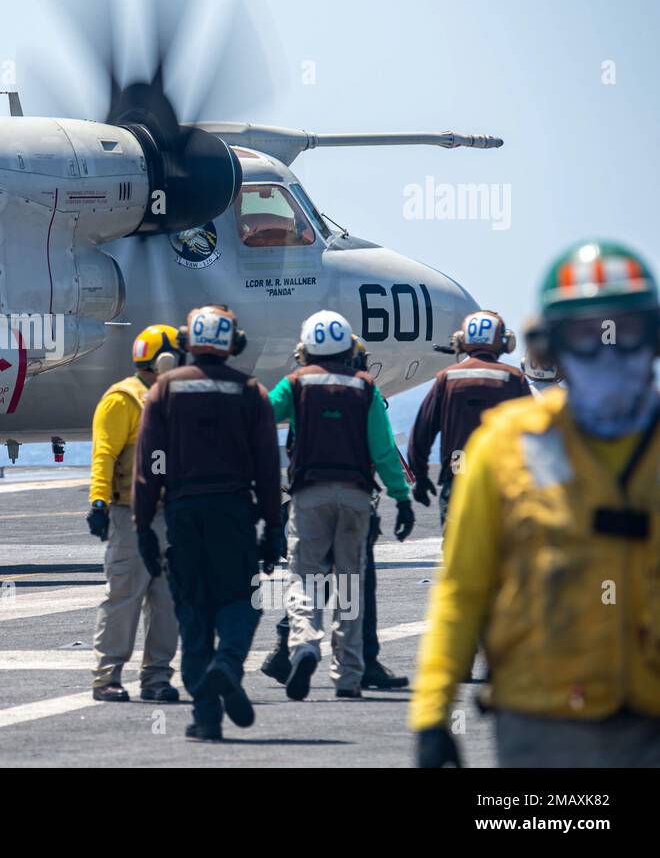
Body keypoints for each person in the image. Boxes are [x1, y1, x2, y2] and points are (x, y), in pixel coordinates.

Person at [413, 241, 660, 767]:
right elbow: (463, 589)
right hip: (538, 720)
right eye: (584, 335)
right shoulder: (505, 447)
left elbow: (422, 431)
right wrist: (432, 714)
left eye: (624, 330)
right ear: (551, 345)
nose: (607, 349)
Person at [132, 305, 285, 740]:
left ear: (187, 342)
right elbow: (267, 467)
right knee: (241, 600)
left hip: (182, 514)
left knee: (193, 612)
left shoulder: (164, 390)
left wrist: (144, 525)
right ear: (232, 343)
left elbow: (151, 465)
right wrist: (274, 527)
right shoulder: (250, 392)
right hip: (235, 513)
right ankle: (229, 664)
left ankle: (205, 717)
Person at [267, 310, 413, 701]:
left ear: (305, 348)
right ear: (350, 348)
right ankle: (348, 675)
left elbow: (260, 416)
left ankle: (305, 646)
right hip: (355, 497)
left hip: (309, 496)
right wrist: (401, 498)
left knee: (306, 579)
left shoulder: (295, 383)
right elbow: (383, 450)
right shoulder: (365, 388)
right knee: (351, 584)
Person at [87, 324, 182, 703]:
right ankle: (107, 676)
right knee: (124, 596)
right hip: (131, 516)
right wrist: (98, 502)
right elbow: (104, 454)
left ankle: (157, 677)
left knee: (168, 600)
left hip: (172, 516)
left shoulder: (176, 399)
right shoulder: (122, 399)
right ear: (166, 359)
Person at [407, 311, 530, 530]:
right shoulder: (513, 379)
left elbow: (422, 432)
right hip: (503, 478)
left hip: (458, 475)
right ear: (505, 342)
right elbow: (534, 433)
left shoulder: (447, 378)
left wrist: (421, 478)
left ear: (461, 340)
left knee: (457, 544)